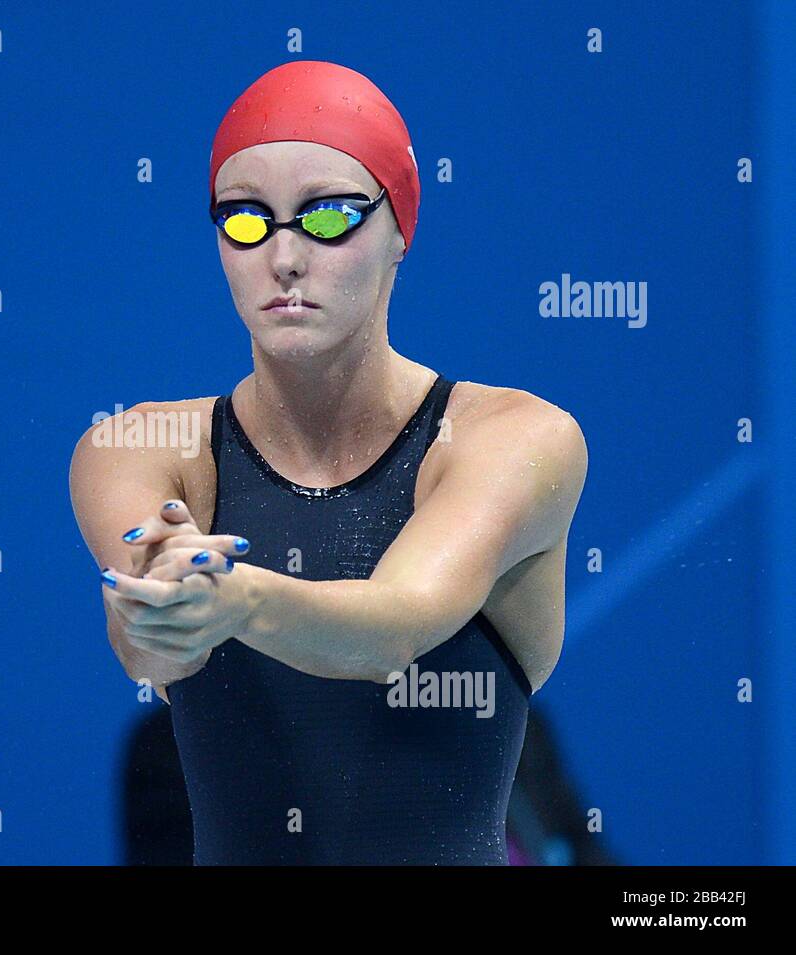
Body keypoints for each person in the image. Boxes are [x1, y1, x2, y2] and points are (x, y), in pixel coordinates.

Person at [69, 60, 588, 864]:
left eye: (327, 216)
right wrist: (163, 608)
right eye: (246, 219)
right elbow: (147, 647)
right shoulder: (139, 448)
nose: (283, 254)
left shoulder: (513, 437)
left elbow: (394, 629)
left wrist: (236, 598)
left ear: (400, 230)